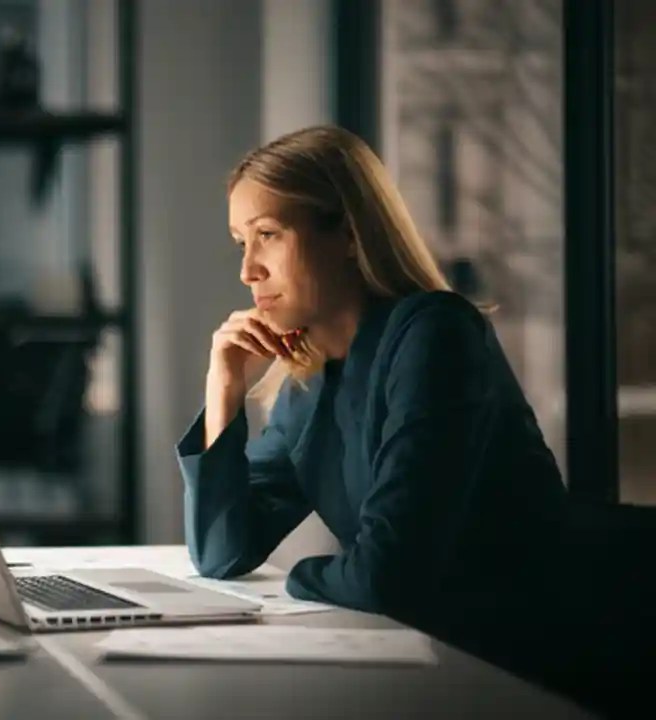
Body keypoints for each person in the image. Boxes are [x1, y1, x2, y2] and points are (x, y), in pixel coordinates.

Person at [176, 125, 654, 713]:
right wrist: (223, 387)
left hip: (541, 669)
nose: (248, 270)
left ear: (348, 233)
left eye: (268, 236)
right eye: (240, 243)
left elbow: (386, 578)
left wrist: (301, 574)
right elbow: (222, 553)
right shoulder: (309, 378)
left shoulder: (434, 333)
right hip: (442, 665)